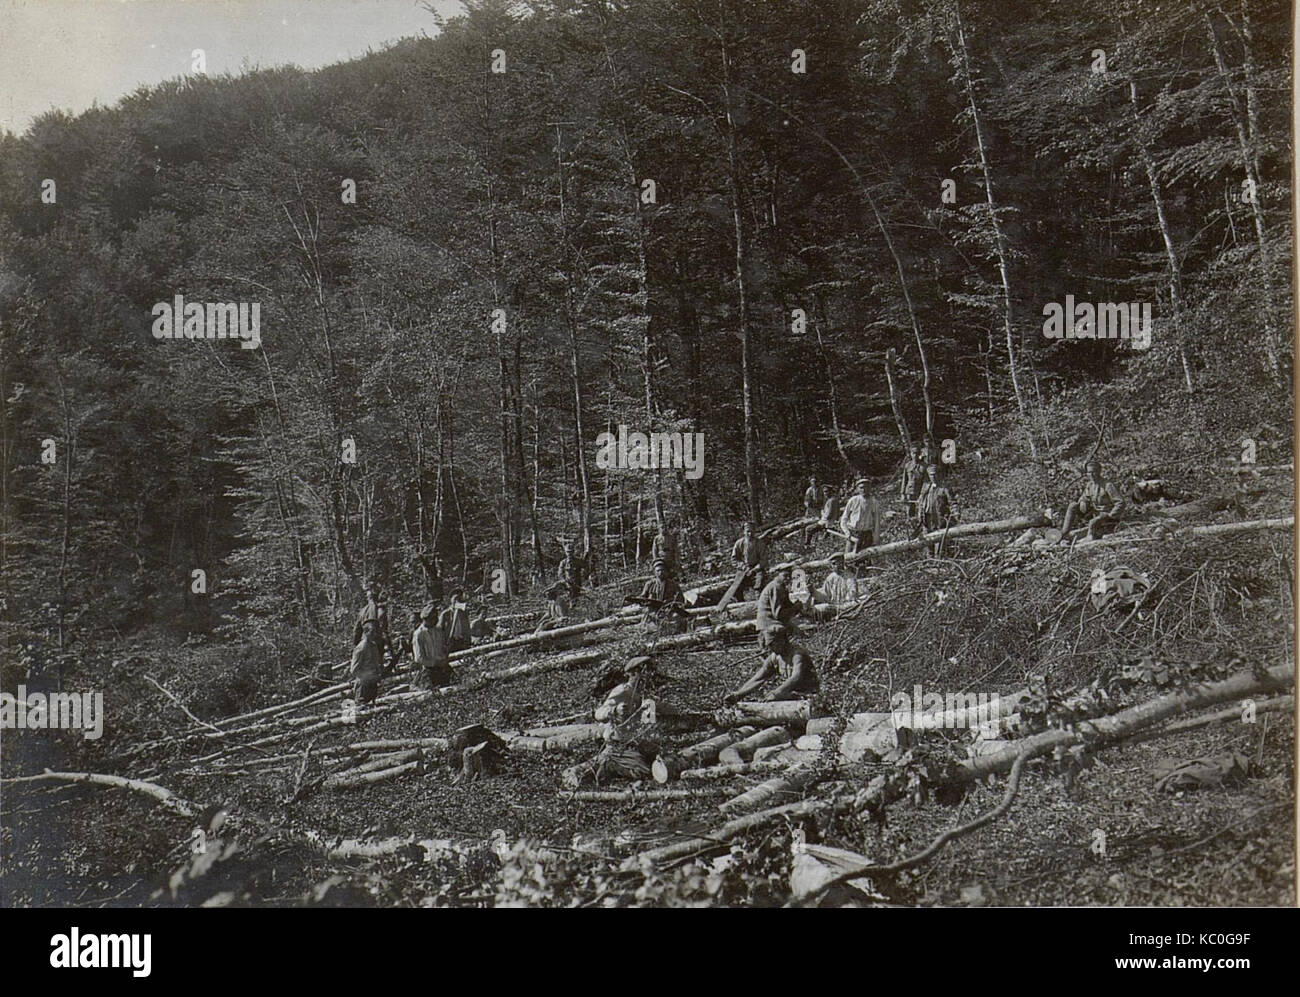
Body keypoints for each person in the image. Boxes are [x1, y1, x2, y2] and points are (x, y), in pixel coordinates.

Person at [724, 624, 818, 703]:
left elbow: (796, 677)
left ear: (782, 641)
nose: (770, 649)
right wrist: (738, 694)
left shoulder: (797, 654)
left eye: (771, 645)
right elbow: (758, 678)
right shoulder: (775, 657)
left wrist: (776, 693)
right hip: (791, 694)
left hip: (809, 696)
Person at [1060, 459, 1126, 541]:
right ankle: (1063, 533)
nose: (1091, 475)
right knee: (1072, 505)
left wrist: (1110, 515)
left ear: (1099, 472)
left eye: (1093, 472)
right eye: (1089, 472)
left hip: (1106, 517)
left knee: (1092, 523)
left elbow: (1121, 503)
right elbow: (1084, 496)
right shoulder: (1090, 485)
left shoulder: (1108, 485)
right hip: (1095, 514)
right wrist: (1082, 501)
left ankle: (1090, 537)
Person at [756, 566, 812, 648]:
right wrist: (795, 608)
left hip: (774, 622)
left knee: (801, 634)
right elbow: (778, 614)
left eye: (789, 576)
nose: (788, 578)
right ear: (777, 575)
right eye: (785, 575)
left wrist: (798, 607)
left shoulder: (781, 587)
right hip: (769, 623)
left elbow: (788, 606)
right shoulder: (775, 587)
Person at [917, 463, 959, 555]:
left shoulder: (944, 489)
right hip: (927, 517)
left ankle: (939, 559)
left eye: (935, 474)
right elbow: (921, 502)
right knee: (928, 538)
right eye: (931, 475)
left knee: (939, 539)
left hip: (939, 518)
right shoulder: (926, 488)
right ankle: (930, 558)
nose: (933, 477)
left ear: (939, 474)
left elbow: (952, 502)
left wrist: (955, 514)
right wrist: (920, 514)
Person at [412, 603, 453, 689]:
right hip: (430, 670)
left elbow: (443, 648)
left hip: (443, 667)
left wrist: (445, 653)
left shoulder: (438, 631)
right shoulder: (419, 634)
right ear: (426, 619)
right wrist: (435, 663)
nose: (436, 620)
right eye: (433, 618)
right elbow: (419, 658)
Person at [637, 558, 687, 630]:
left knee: (676, 619)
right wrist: (640, 600)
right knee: (647, 625)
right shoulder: (649, 584)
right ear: (654, 572)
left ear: (667, 572)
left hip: (669, 610)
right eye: (658, 571)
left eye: (662, 570)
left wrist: (670, 601)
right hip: (653, 611)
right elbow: (642, 597)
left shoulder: (673, 585)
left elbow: (681, 599)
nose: (660, 572)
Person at [353, 580, 393, 667]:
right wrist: (389, 648)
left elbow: (357, 632)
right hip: (377, 642)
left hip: (365, 641)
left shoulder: (362, 611)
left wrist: (357, 644)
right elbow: (384, 630)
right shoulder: (380, 610)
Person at [839, 478, 881, 556]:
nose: (864, 490)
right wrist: (847, 533)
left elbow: (877, 522)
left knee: (865, 559)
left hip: (867, 535)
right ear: (858, 489)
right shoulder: (853, 500)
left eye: (866, 487)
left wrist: (876, 539)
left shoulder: (874, 502)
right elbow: (844, 519)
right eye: (861, 487)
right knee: (849, 558)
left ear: (870, 488)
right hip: (853, 534)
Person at [730, 521, 770, 597]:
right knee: (736, 586)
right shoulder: (739, 543)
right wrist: (744, 567)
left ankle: (758, 598)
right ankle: (739, 603)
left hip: (757, 568)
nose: (750, 534)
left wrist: (755, 569)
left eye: (752, 531)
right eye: (748, 531)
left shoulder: (760, 543)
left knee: (760, 581)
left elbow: (764, 559)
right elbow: (734, 559)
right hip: (744, 568)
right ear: (743, 532)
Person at [350, 619, 383, 705]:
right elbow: (354, 670)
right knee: (362, 710)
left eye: (375, 632)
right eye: (372, 632)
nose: (374, 634)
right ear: (366, 632)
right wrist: (367, 677)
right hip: (363, 686)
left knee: (373, 710)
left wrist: (377, 675)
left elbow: (376, 663)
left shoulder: (373, 645)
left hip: (373, 684)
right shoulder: (361, 648)